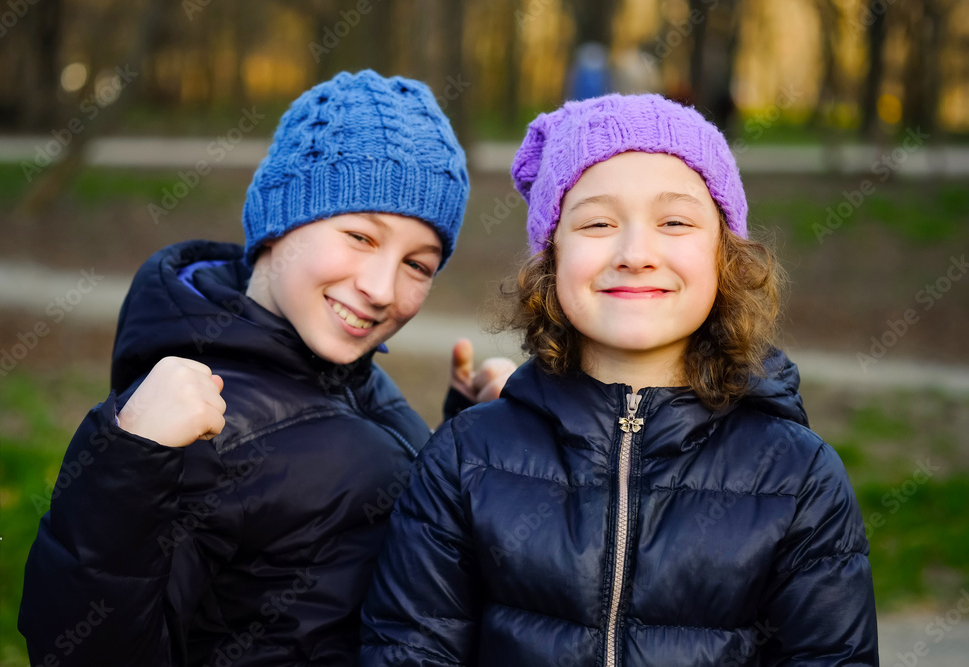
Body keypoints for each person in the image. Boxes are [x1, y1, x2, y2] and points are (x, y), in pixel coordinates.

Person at [360, 93, 878, 665]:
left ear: (724, 254)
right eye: (598, 222)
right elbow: (409, 651)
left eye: (675, 222)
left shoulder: (799, 478)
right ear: (550, 257)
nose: (635, 252)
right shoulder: (463, 459)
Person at [18, 69, 513, 666]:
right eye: (359, 236)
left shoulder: (345, 373)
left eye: (418, 264)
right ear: (280, 222)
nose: (382, 288)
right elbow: (85, 650)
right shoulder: (197, 433)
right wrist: (128, 462)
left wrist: (467, 430)